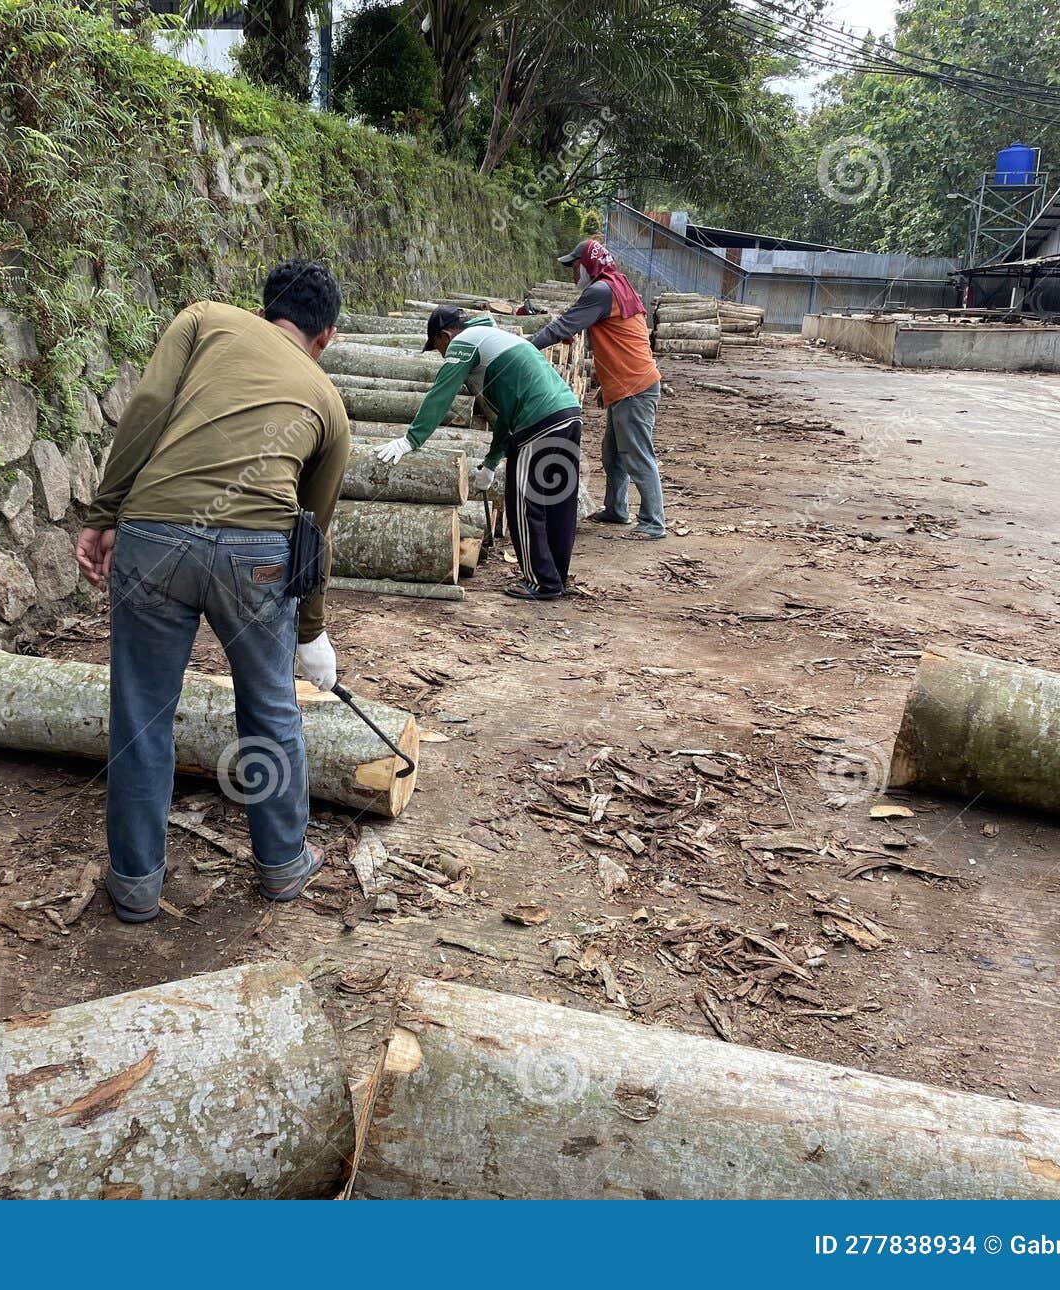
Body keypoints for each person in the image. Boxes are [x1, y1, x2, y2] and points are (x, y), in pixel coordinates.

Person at [75, 260, 350, 923]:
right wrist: (310, 631)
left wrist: (106, 512)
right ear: (328, 336)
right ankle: (283, 865)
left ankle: (136, 886)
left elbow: (145, 411)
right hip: (256, 557)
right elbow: (311, 534)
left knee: (140, 712)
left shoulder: (203, 319)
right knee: (271, 710)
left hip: (154, 538)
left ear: (264, 311)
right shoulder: (328, 403)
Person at [377, 306, 582, 601]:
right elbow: (505, 417)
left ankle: (542, 582)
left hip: (538, 423)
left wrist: (411, 439)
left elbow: (441, 393)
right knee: (557, 500)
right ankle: (555, 578)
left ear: (445, 335)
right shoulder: (494, 338)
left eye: (438, 348)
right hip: (568, 413)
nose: (441, 356)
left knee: (524, 504)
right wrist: (491, 462)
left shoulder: (464, 343)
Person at [530, 240, 666, 540]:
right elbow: (589, 325)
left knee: (637, 454)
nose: (572, 273)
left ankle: (653, 523)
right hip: (627, 386)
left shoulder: (601, 291)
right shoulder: (615, 287)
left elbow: (562, 326)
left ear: (588, 264)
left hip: (634, 386)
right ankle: (616, 509)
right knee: (613, 455)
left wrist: (522, 348)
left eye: (574, 266)